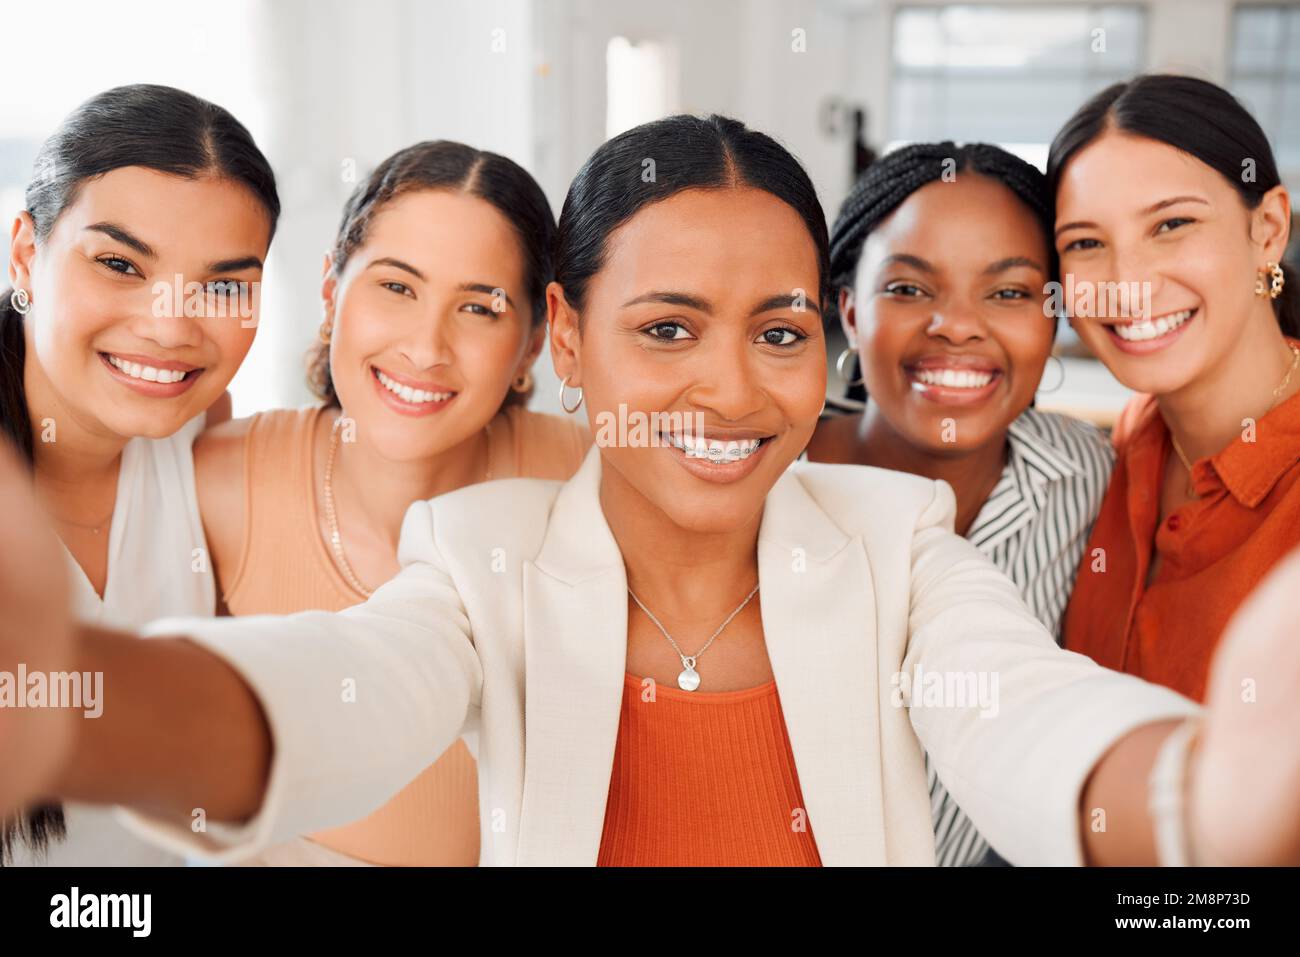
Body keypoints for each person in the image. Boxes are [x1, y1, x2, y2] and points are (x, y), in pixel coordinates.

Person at [6, 115, 1299, 868]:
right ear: (568, 340)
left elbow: (1023, 718)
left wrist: (1214, 793)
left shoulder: (898, 545)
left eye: (781, 333)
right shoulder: (475, 554)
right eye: (668, 329)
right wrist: (77, 707)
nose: (730, 392)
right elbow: (341, 688)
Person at [196, 141, 588, 866]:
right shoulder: (219, 484)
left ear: (534, 341)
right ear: (330, 291)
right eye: (397, 287)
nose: (426, 347)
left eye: (479, 306)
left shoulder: (588, 485)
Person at [804, 142, 1113, 865]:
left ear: (1053, 318)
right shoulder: (765, 485)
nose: (957, 325)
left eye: (1007, 292)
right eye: (909, 289)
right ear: (849, 308)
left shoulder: (1092, 477)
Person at [0, 85, 279, 866]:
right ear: (27, 254)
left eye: (223, 284)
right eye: (120, 264)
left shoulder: (203, 426)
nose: (170, 326)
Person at [1053, 74, 1300, 703]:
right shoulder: (1138, 431)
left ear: (1268, 228)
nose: (1126, 281)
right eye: (1085, 242)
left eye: (1171, 225)